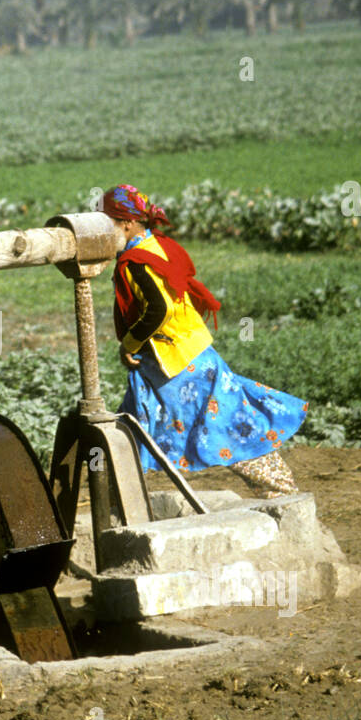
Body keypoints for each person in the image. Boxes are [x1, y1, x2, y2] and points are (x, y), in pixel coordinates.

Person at [105, 183, 306, 498]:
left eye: (108, 223)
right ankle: (119, 504)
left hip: (180, 367)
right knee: (128, 430)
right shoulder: (157, 245)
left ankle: (285, 498)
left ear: (127, 224)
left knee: (234, 431)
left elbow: (159, 309)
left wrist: (129, 343)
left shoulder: (134, 263)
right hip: (188, 356)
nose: (105, 230)